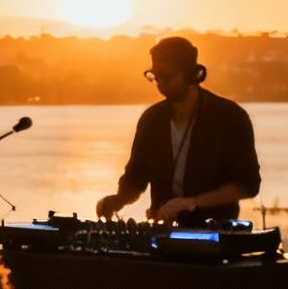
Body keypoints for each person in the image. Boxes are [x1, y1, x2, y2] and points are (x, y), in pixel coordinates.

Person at [97, 35, 260, 224]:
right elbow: (136, 179)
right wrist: (115, 201)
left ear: (191, 74)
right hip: (164, 232)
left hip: (213, 233)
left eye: (167, 76)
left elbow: (248, 185)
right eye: (155, 76)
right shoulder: (151, 120)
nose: (160, 83)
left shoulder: (230, 117)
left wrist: (192, 203)